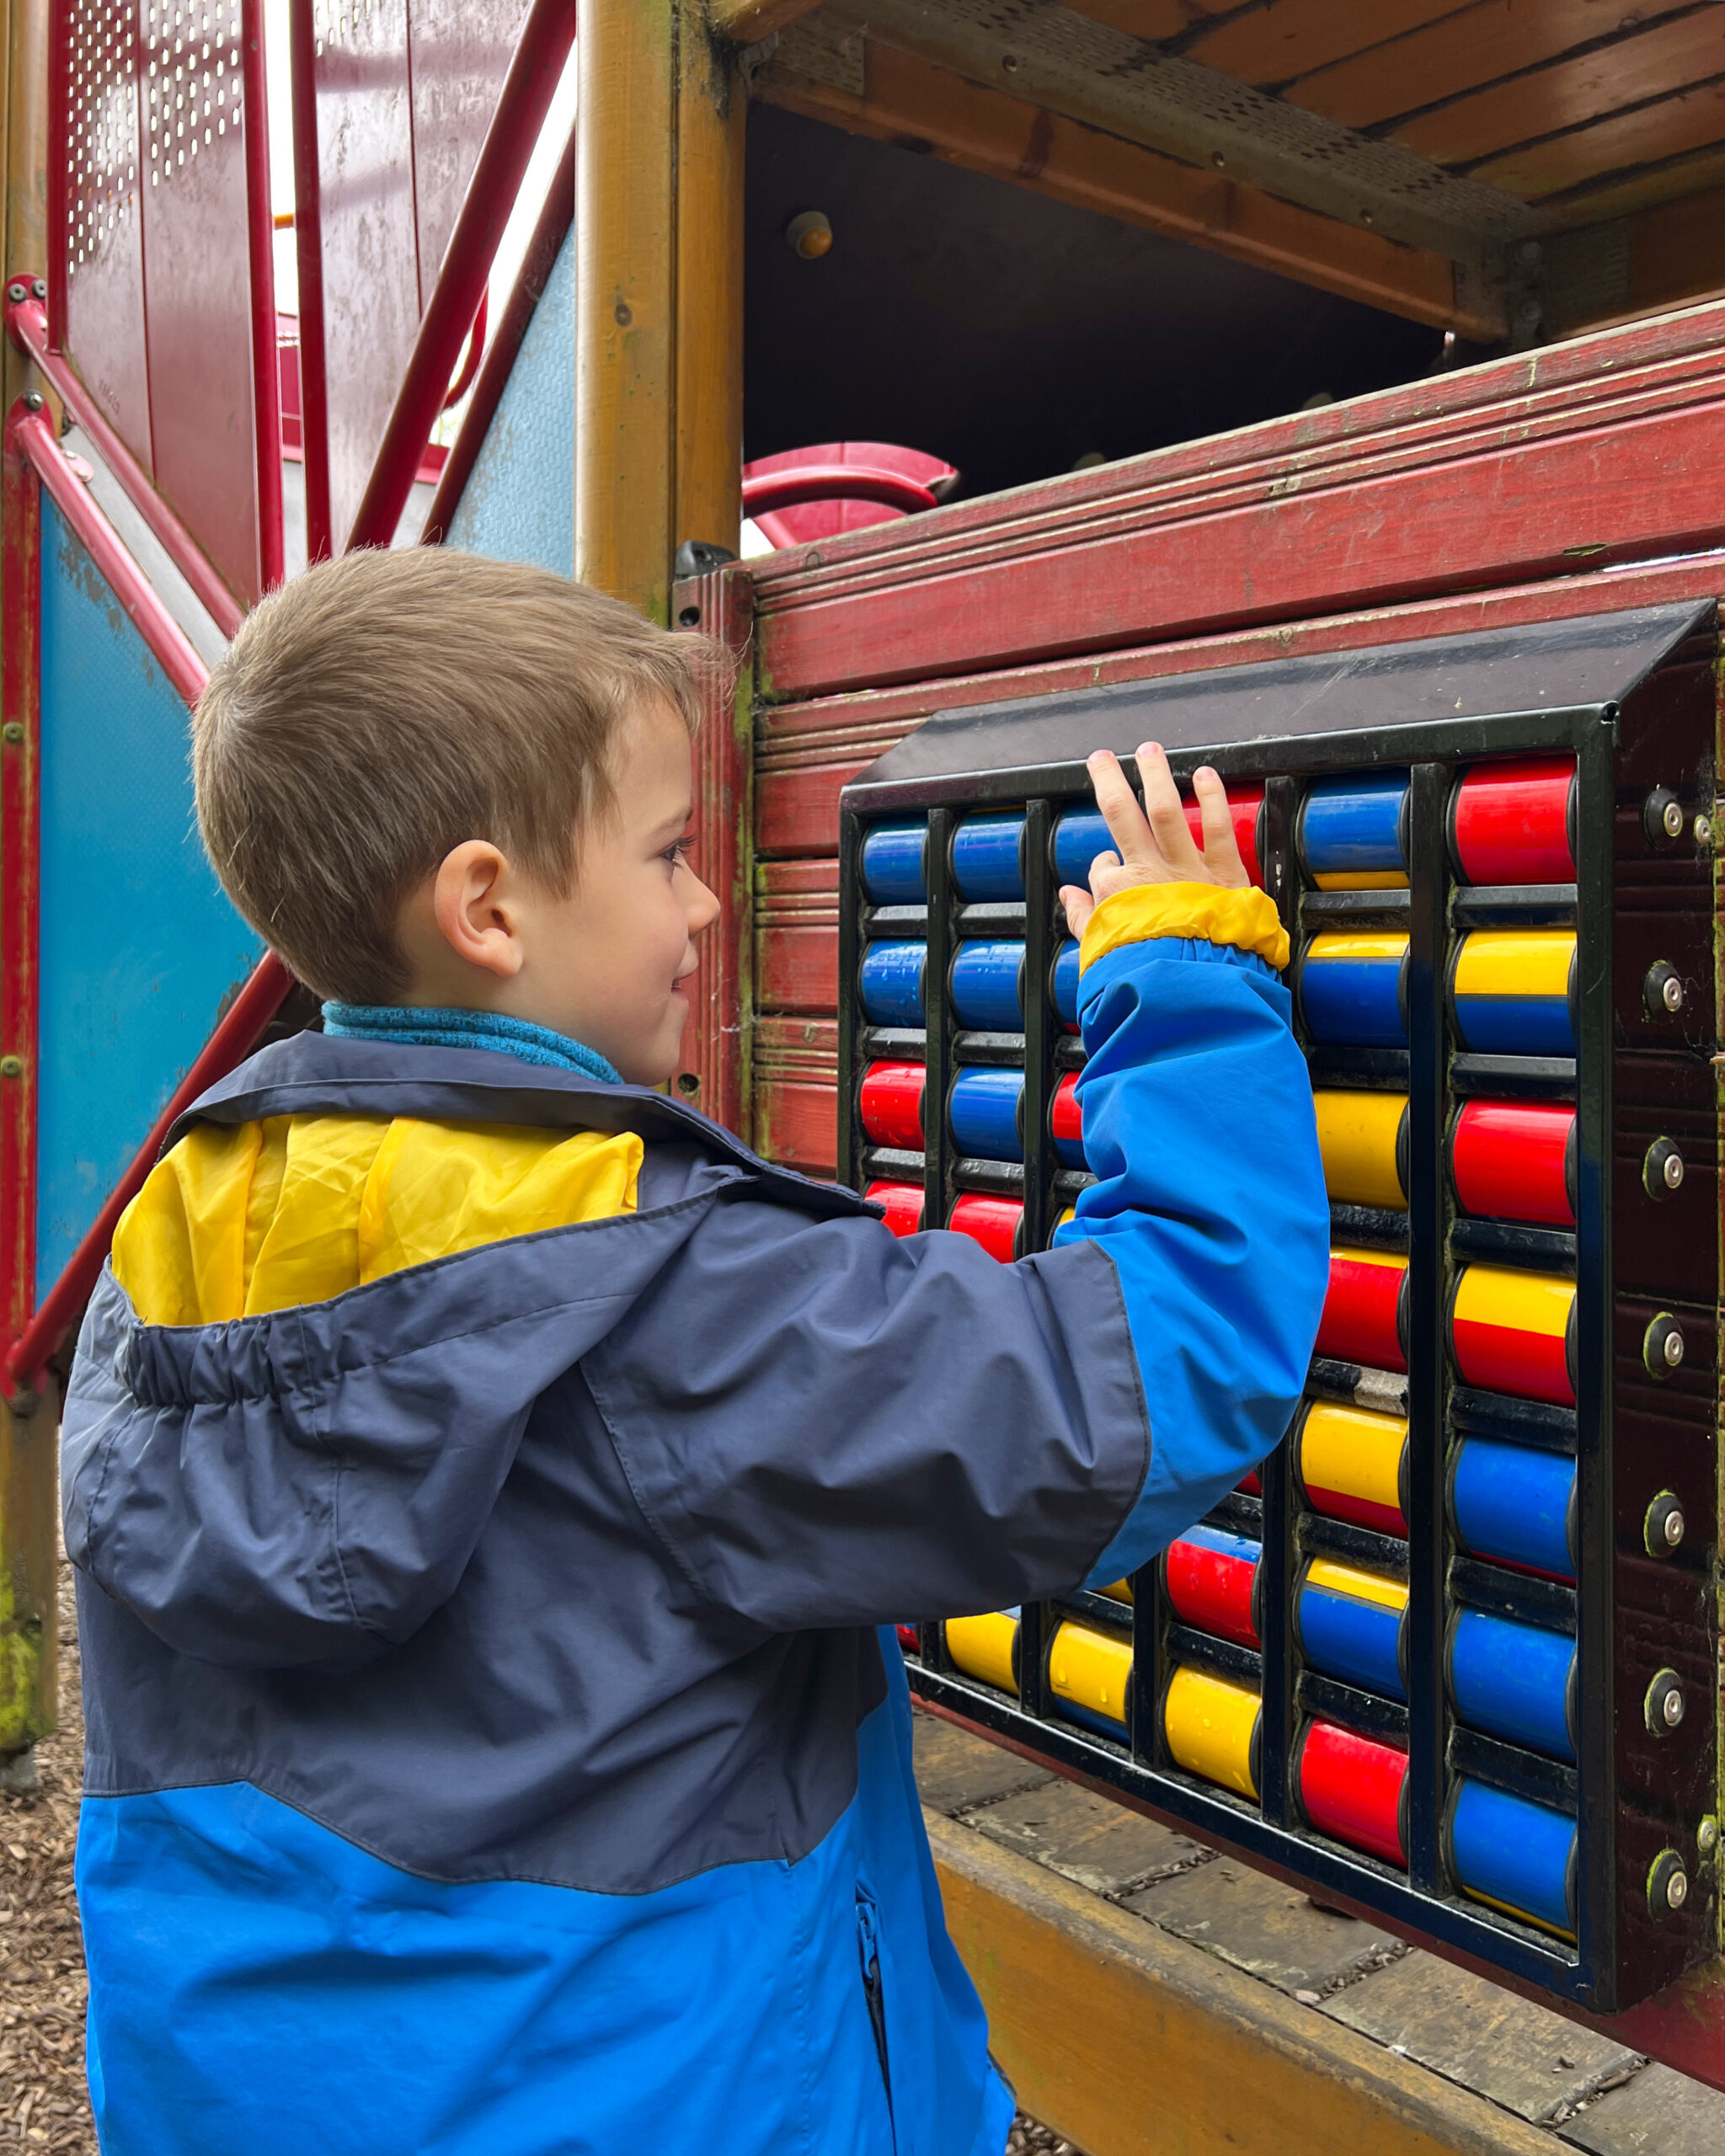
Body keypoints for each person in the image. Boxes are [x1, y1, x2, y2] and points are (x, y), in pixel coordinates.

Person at [61, 548, 1327, 2155]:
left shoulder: (168, 1249)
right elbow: (1159, 1367)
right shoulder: (667, 1294)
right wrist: (1184, 987)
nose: (708, 901)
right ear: (488, 909)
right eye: (666, 854)